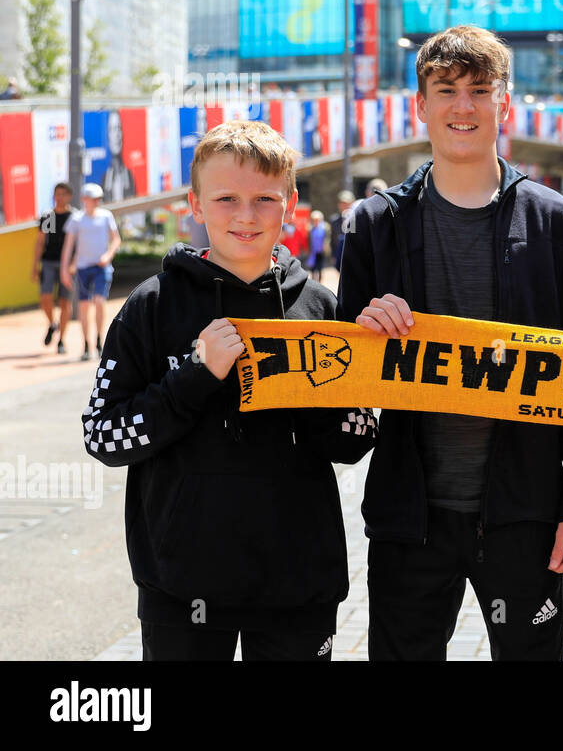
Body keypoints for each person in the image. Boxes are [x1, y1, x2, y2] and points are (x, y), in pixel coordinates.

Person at [337, 24, 563, 661]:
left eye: (480, 90)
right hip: (412, 515)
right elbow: (343, 377)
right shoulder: (376, 225)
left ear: (504, 103)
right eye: (447, 89)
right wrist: (365, 332)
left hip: (526, 514)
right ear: (419, 105)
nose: (464, 106)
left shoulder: (557, 224)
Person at [82, 120, 376, 660]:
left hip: (298, 581)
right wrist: (194, 376)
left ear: (290, 203)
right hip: (181, 584)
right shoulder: (150, 306)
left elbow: (357, 438)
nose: (246, 215)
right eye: (226, 198)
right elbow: (104, 436)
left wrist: (300, 383)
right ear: (195, 204)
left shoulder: (320, 308)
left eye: (265, 198)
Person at [60, 184, 120, 362]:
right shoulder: (77, 219)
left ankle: (100, 341)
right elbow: (68, 246)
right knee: (84, 307)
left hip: (102, 268)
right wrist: (64, 270)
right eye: (93, 198)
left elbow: (116, 239)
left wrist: (108, 255)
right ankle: (86, 344)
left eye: (98, 199)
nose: (96, 202)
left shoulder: (106, 216)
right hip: (83, 268)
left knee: (99, 301)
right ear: (84, 199)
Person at [33, 182, 75, 354]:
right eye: (57, 194)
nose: (59, 197)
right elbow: (40, 241)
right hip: (49, 262)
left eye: (63, 194)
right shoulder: (47, 216)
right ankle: (52, 324)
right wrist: (35, 265)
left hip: (67, 265)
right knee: (45, 298)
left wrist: (73, 264)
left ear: (69, 196)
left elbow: (78, 243)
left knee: (65, 302)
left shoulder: (75, 217)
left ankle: (62, 340)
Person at [101, 110, 137, 203]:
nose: (116, 135)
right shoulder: (106, 177)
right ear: (108, 135)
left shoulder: (128, 175)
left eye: (118, 128)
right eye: (112, 129)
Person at [329, 190, 355, 272]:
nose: (344, 206)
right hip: (339, 256)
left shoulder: (356, 219)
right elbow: (333, 240)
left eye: (347, 203)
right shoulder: (334, 221)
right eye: (342, 203)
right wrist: (333, 255)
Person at [305, 209, 327, 282]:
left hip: (321, 251)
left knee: (320, 268)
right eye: (314, 219)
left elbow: (327, 238)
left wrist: (326, 246)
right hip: (312, 252)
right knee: (313, 269)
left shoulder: (325, 228)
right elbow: (307, 240)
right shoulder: (309, 229)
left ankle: (320, 282)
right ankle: (314, 282)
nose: (316, 221)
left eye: (317, 219)